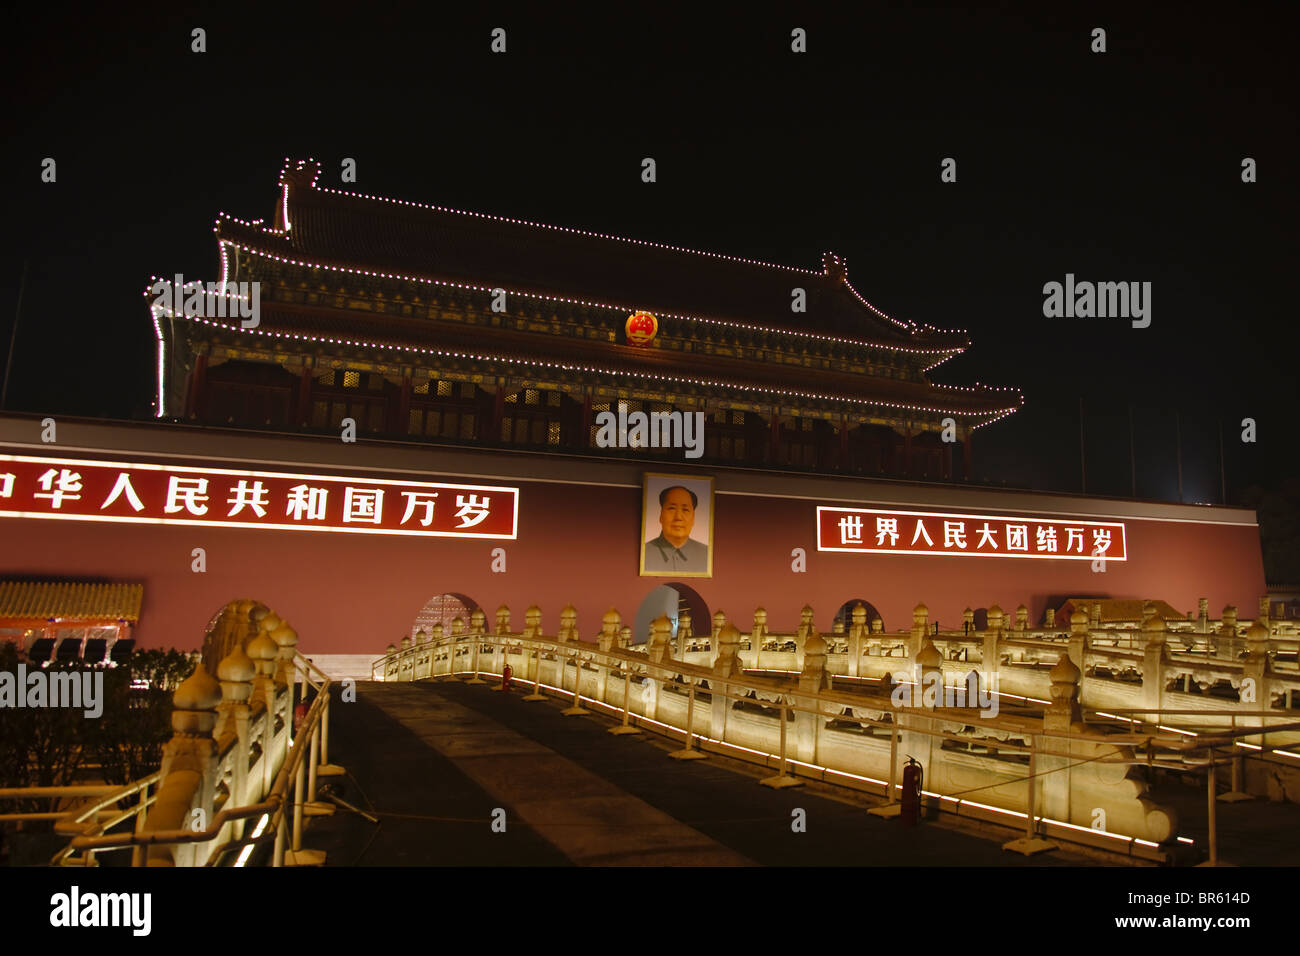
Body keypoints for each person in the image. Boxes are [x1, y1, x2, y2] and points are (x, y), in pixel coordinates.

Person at [643, 485, 708, 573]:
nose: (678, 517)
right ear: (661, 515)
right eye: (672, 508)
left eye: (685, 510)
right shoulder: (643, 553)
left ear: (693, 518)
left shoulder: (707, 555)